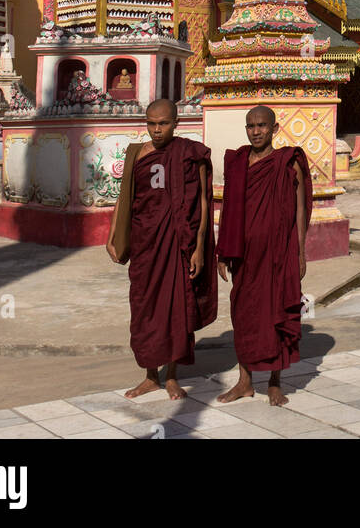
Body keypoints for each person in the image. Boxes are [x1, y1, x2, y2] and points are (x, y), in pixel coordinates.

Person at [106, 98, 216, 399]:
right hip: (145, 242)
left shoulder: (190, 154)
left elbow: (204, 202)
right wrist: (113, 234)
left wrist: (198, 247)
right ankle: (150, 376)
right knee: (145, 307)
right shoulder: (135, 154)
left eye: (163, 123)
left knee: (175, 308)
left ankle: (171, 376)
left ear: (176, 122)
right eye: (151, 123)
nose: (157, 130)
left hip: (178, 243)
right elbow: (124, 197)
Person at [216, 105, 311, 406]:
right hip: (244, 254)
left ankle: (274, 381)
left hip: (277, 253)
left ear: (274, 128)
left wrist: (300, 251)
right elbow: (228, 209)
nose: (256, 131)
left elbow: (299, 210)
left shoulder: (287, 162)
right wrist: (222, 251)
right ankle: (244, 381)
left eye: (262, 126)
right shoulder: (237, 163)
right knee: (243, 316)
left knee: (276, 314)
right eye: (250, 126)